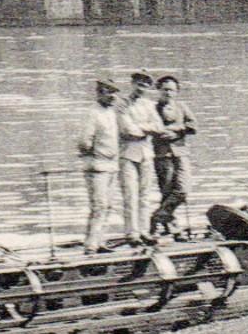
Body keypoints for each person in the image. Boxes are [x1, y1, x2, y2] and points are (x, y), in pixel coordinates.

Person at [118, 70, 167, 246]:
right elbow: (127, 130)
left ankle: (144, 231)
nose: (141, 89)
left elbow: (159, 128)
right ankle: (132, 233)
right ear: (132, 84)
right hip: (128, 154)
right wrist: (146, 129)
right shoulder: (122, 103)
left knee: (145, 195)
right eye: (139, 84)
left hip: (146, 154)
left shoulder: (148, 105)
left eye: (145, 86)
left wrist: (141, 128)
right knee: (130, 195)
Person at [76, 79, 120, 253]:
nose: (113, 97)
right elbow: (84, 142)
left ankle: (101, 241)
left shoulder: (111, 113)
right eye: (109, 93)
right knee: (99, 205)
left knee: (108, 205)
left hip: (111, 166)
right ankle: (91, 244)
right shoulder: (92, 113)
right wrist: (95, 154)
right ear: (99, 93)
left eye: (114, 93)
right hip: (97, 167)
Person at [150, 75, 196, 240]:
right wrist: (161, 132)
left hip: (181, 152)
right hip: (162, 155)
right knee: (167, 191)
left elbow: (193, 126)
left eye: (171, 90)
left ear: (176, 92)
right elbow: (149, 127)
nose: (168, 93)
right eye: (165, 89)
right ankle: (173, 229)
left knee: (183, 190)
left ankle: (157, 217)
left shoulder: (182, 107)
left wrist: (177, 129)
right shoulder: (153, 108)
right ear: (159, 90)